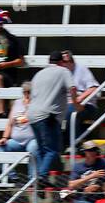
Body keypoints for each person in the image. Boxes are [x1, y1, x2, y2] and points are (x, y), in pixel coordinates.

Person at [27, 50, 74, 184]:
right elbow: (72, 88)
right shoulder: (63, 71)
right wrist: (76, 103)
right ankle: (41, 176)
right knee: (53, 149)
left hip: (32, 114)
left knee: (42, 150)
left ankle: (42, 177)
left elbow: (32, 96)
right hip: (48, 115)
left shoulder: (38, 74)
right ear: (61, 62)